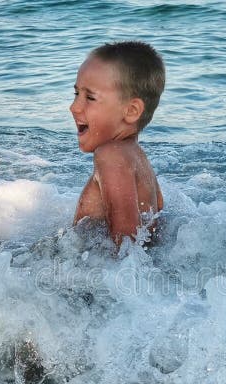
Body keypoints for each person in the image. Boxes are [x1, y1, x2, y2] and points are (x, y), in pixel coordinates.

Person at [70, 41, 165, 245]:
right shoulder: (138, 158)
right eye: (77, 94)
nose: (74, 107)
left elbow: (126, 245)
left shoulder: (111, 155)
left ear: (131, 111)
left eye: (90, 98)